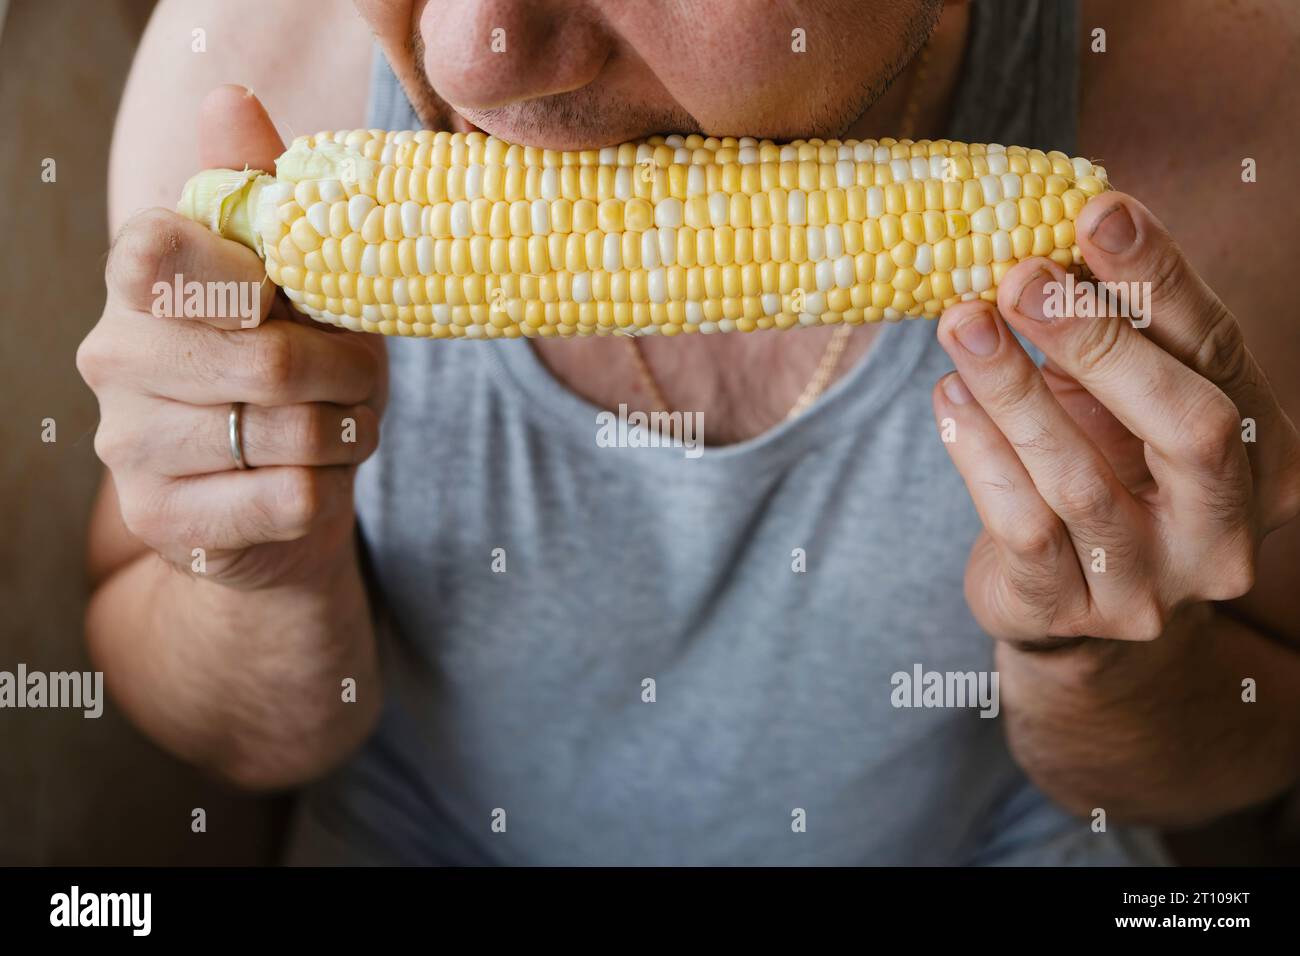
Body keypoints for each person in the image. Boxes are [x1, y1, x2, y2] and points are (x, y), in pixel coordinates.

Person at [75, 0, 1300, 865]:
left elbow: (1256, 722)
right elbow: (212, 705)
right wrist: (256, 577)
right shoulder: (244, 67)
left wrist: (1105, 664)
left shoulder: (1235, 133)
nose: (467, 62)